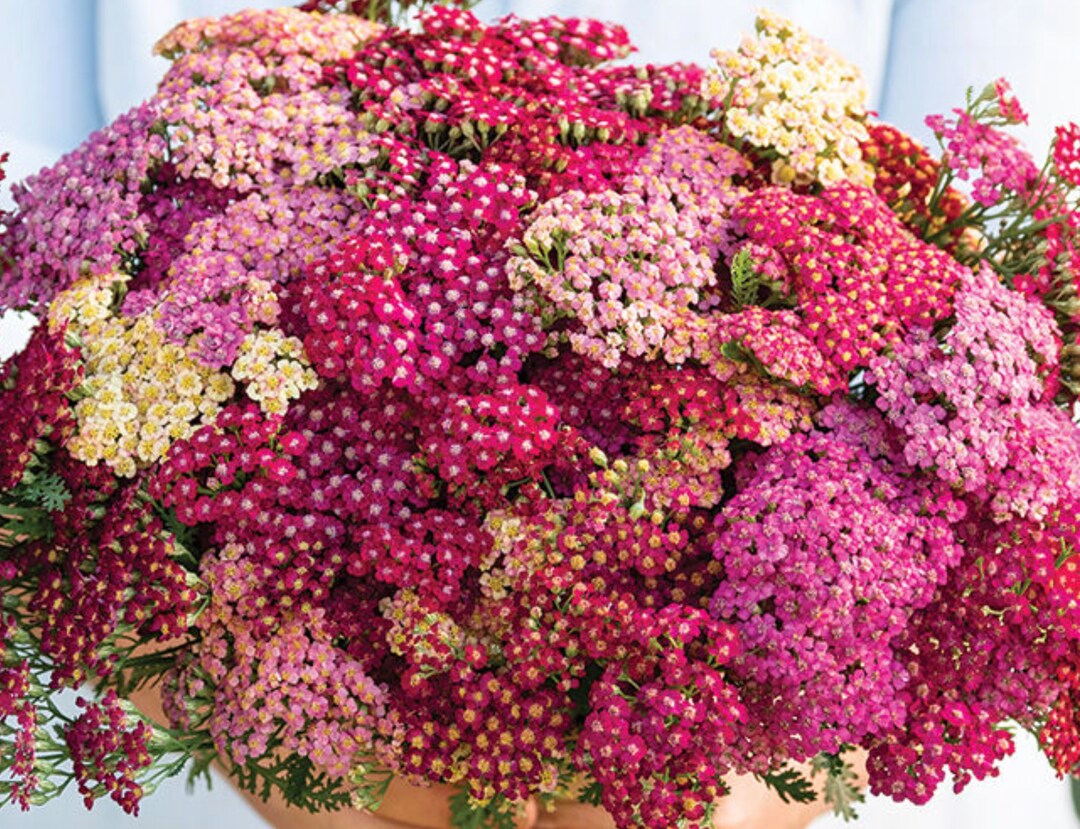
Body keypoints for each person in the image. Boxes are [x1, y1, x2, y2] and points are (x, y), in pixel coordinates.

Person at [2, 3, 1079, 828]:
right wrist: (186, 669)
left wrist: (769, 773)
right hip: (241, 285)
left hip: (797, 400)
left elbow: (1000, 112)